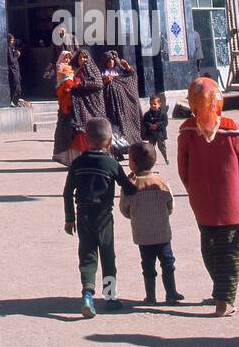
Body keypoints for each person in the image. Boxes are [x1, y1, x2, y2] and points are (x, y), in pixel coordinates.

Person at [177, 77, 239, 317]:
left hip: (201, 200)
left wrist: (195, 187)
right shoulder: (231, 129)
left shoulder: (187, 131)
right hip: (230, 201)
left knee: (209, 245)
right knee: (230, 249)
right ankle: (224, 300)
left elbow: (183, 169)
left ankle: (219, 291)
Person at [63, 116, 136, 317]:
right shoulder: (112, 164)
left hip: (83, 216)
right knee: (107, 256)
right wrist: (135, 181)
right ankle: (110, 297)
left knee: (87, 256)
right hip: (104, 218)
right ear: (110, 141)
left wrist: (69, 218)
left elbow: (68, 192)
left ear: (86, 140)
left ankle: (87, 295)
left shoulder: (77, 163)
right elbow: (129, 189)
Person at [119, 140, 183, 304]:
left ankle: (151, 296)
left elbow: (124, 209)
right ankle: (171, 293)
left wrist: (135, 216)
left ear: (132, 163)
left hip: (142, 235)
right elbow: (170, 205)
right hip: (162, 233)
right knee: (168, 262)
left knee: (148, 266)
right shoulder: (161, 181)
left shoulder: (131, 184)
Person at [66, 47, 105, 160]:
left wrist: (80, 84)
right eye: (81, 57)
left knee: (95, 130)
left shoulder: (93, 69)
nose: (83, 59)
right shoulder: (74, 70)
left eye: (85, 57)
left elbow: (98, 83)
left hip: (93, 105)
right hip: (79, 106)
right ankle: (81, 157)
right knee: (80, 130)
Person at [102, 50, 144, 146]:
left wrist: (128, 67)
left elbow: (131, 77)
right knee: (114, 125)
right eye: (108, 61)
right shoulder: (102, 73)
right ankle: (117, 147)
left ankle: (129, 143)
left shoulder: (120, 71)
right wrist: (105, 81)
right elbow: (99, 86)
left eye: (112, 60)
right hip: (110, 104)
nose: (111, 62)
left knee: (125, 123)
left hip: (123, 103)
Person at [51, 51, 78, 165]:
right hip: (64, 96)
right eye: (65, 57)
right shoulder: (59, 67)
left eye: (68, 58)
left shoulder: (72, 67)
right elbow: (61, 82)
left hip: (73, 98)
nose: (67, 60)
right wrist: (68, 83)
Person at [142, 94, 170, 163]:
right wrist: (150, 125)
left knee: (162, 147)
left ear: (159, 104)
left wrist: (157, 125)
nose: (153, 106)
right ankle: (152, 160)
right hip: (151, 134)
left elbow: (165, 122)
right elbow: (145, 122)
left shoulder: (163, 114)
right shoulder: (147, 114)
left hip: (160, 134)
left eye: (155, 104)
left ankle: (166, 159)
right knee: (151, 148)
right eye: (151, 104)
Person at [6, 34, 24, 106]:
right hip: (12, 71)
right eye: (11, 40)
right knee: (14, 86)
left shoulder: (12, 48)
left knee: (18, 89)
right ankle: (11, 101)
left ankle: (15, 102)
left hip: (16, 70)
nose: (12, 42)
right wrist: (16, 54)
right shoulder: (8, 49)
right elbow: (11, 60)